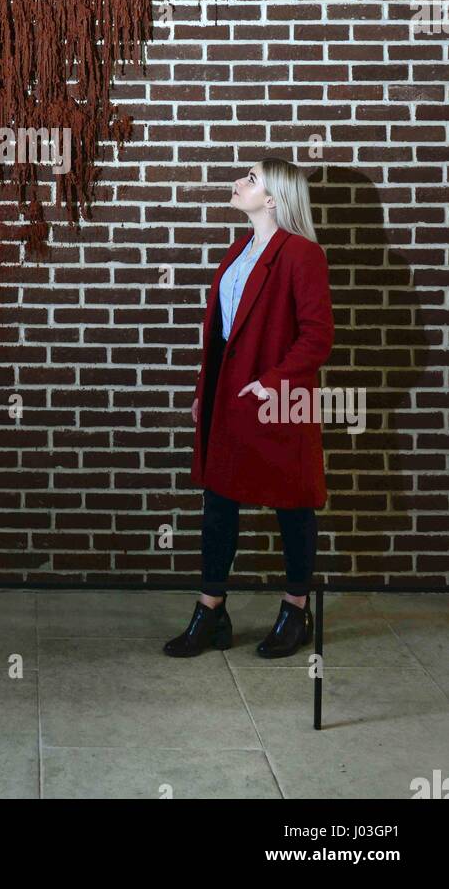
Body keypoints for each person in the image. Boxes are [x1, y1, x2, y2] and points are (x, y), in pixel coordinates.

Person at [164, 157, 334, 659]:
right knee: (218, 504)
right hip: (229, 398)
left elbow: (318, 338)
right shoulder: (238, 251)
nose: (238, 183)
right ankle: (211, 610)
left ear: (275, 198)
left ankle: (295, 610)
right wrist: (204, 389)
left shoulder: (302, 255)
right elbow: (222, 334)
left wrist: (271, 384)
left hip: (278, 399)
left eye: (251, 179)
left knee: (292, 506)